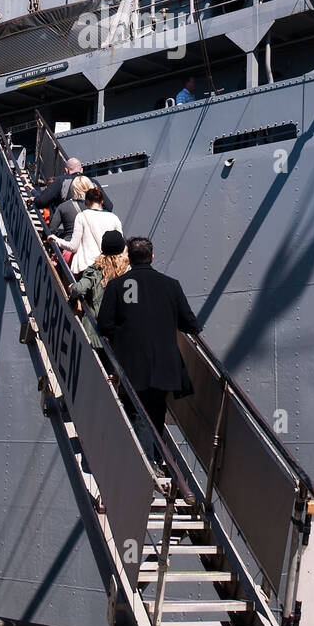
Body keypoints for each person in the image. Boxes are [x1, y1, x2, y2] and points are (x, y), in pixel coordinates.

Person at [97, 236, 199, 445]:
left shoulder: (118, 285)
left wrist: (125, 334)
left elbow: (104, 325)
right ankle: (157, 456)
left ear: (130, 259)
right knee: (156, 410)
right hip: (165, 363)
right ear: (152, 257)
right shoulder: (171, 285)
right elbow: (191, 324)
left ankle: (151, 462)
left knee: (137, 412)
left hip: (131, 362)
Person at [67, 229, 129, 348]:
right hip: (120, 336)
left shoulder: (97, 270)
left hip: (97, 335)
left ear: (103, 248)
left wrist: (71, 288)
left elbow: (79, 289)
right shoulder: (128, 272)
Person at [50, 186, 122, 276]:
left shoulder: (81, 216)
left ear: (86, 201)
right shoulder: (114, 218)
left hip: (87, 268)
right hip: (109, 267)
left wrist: (57, 240)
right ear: (102, 201)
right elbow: (120, 246)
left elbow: (73, 247)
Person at [34, 156, 113, 212]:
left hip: (67, 228)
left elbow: (41, 201)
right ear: (81, 170)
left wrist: (35, 199)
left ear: (66, 170)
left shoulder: (61, 181)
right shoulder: (93, 183)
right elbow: (109, 206)